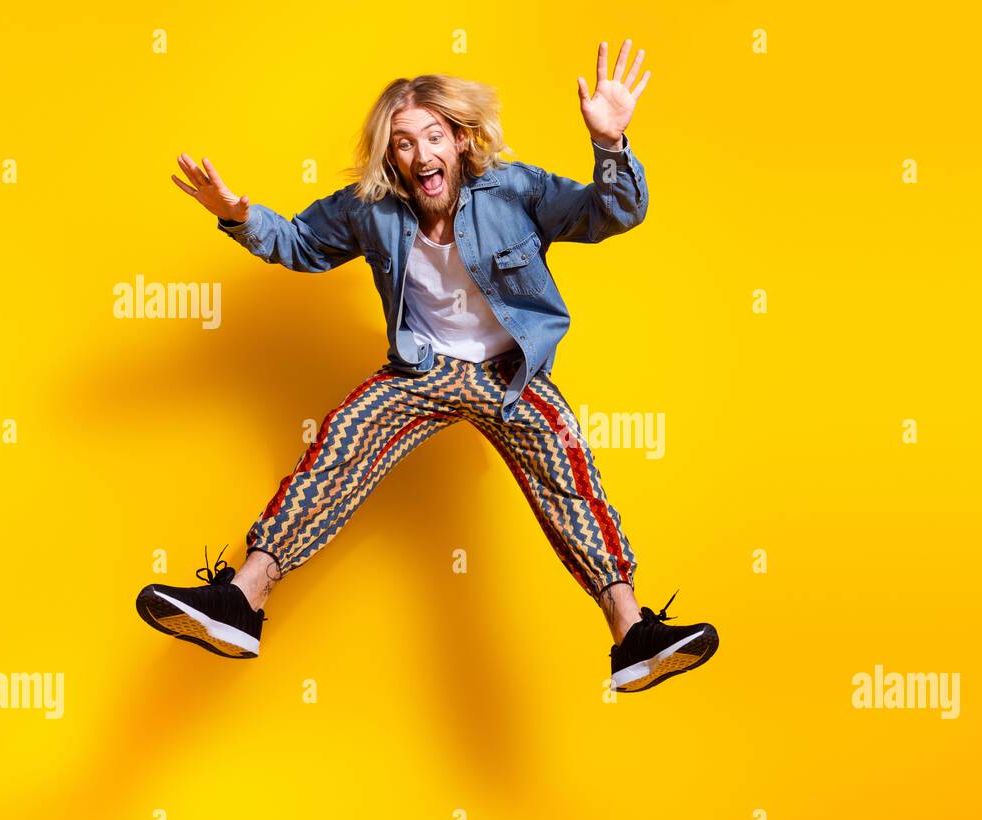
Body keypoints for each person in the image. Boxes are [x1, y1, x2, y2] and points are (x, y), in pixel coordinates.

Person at [135, 39, 718, 693]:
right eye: (404, 144)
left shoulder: (515, 189)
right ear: (392, 155)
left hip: (510, 371)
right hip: (424, 367)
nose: (421, 156)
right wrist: (237, 215)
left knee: (569, 473)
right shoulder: (370, 206)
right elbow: (299, 243)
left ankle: (632, 635)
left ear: (460, 140)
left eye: (432, 137)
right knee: (340, 441)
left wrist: (611, 145)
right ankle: (242, 603)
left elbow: (611, 212)